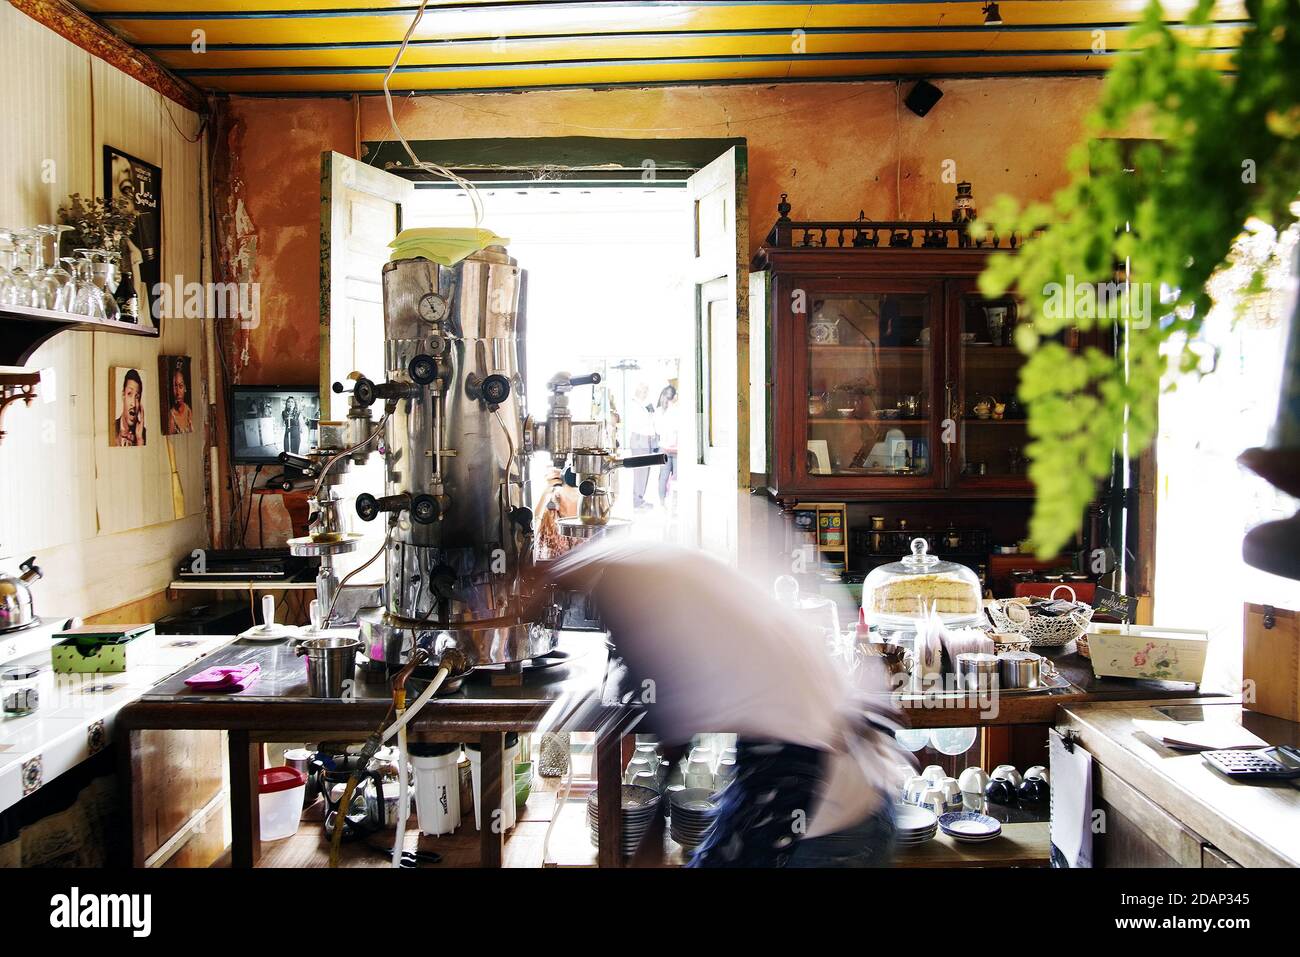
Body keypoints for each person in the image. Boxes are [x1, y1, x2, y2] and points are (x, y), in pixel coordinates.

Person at [537, 539, 903, 867]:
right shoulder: (651, 561)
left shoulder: (625, 583)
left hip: (820, 801)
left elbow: (670, 724)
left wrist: (651, 836)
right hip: (855, 788)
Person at [626, 382, 657, 510]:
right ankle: (637, 500)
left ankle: (639, 498)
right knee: (640, 471)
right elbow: (640, 423)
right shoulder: (635, 405)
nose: (646, 394)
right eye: (645, 391)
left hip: (644, 439)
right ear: (640, 392)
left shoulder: (641, 405)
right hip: (640, 439)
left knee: (644, 471)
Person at [653, 385, 679, 508]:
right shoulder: (676, 410)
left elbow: (657, 431)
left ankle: (662, 502)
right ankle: (675, 501)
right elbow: (678, 429)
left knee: (663, 476)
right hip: (676, 448)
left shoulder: (658, 411)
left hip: (663, 448)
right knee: (677, 476)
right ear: (674, 397)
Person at [114, 368, 146, 446]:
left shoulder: (143, 434)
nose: (134, 404)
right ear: (123, 395)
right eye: (129, 394)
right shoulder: (112, 428)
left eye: (137, 397)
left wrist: (139, 439)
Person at [165, 361, 193, 435]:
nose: (177, 392)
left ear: (185, 388)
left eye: (180, 386)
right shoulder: (171, 417)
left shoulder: (189, 411)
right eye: (175, 386)